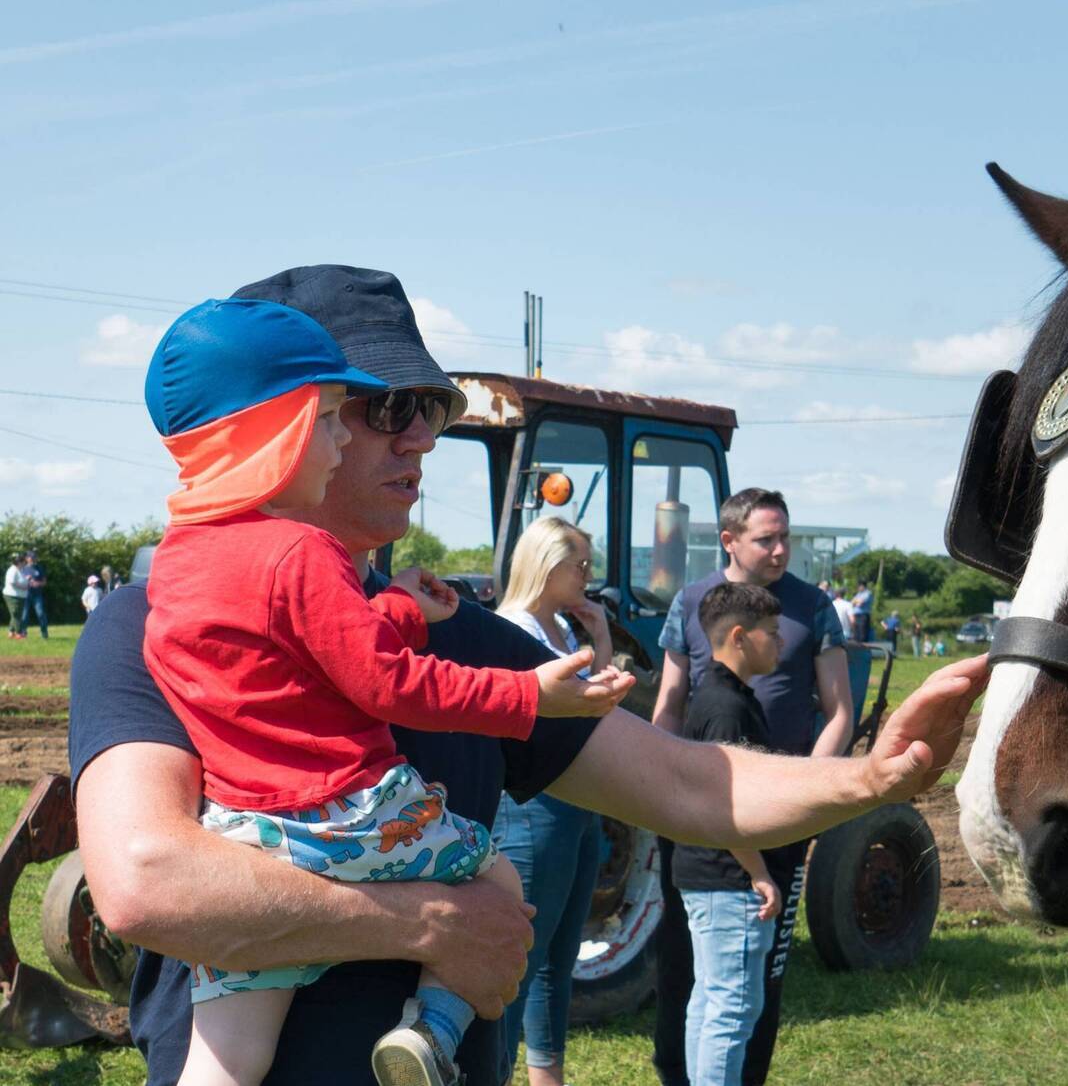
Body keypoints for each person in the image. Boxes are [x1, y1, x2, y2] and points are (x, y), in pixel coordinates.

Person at [69, 263, 987, 1086]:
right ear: (286, 424)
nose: (418, 438)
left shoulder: (464, 636)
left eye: (431, 408)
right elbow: (147, 880)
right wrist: (433, 924)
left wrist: (872, 775)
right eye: (386, 405)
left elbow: (687, 782)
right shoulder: (159, 624)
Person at [139, 297, 629, 1086]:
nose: (342, 437)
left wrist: (397, 606)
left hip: (247, 842)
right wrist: (529, 694)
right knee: (497, 882)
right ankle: (429, 1033)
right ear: (276, 430)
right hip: (356, 816)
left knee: (226, 1054)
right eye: (331, 417)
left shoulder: (177, 562)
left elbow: (306, 658)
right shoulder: (302, 550)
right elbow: (382, 681)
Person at [650, 488, 852, 1086]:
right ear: (729, 540)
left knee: (757, 971)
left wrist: (807, 795)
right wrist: (656, 793)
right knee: (688, 964)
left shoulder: (814, 608)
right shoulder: (690, 603)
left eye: (785, 536)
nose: (781, 549)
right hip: (698, 812)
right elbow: (667, 704)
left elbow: (838, 711)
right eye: (767, 538)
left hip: (776, 816)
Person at [491, 515, 612, 1086]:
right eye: (580, 564)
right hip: (534, 812)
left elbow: (595, 715)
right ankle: (496, 1070)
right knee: (520, 963)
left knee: (558, 961)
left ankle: (547, 1077)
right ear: (546, 564)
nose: (588, 575)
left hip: (574, 809)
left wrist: (601, 641)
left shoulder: (561, 627)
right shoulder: (514, 628)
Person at [674, 583, 786, 1086]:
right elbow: (726, 807)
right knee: (732, 1009)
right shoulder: (727, 708)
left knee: (712, 1000)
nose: (781, 641)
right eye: (773, 632)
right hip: (728, 879)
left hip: (708, 877)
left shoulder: (720, 694)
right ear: (741, 637)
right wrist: (759, 871)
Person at [21, 550, 48, 639]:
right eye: (30, 557)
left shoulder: (39, 568)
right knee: (24, 615)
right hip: (26, 595)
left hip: (37, 595)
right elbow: (19, 582)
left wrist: (38, 584)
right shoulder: (23, 569)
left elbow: (44, 582)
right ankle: (23, 633)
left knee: (40, 613)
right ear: (27, 558)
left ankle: (44, 633)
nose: (32, 559)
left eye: (34, 557)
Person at [4, 553, 25, 639]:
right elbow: (12, 583)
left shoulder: (21, 570)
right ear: (19, 562)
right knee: (15, 613)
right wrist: (23, 587)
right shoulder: (12, 570)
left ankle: (11, 632)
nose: (25, 563)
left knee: (17, 614)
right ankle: (19, 633)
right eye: (23, 562)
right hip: (11, 595)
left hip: (21, 596)